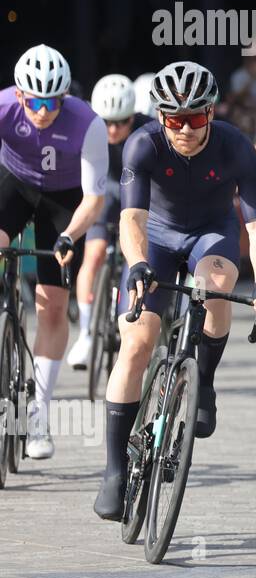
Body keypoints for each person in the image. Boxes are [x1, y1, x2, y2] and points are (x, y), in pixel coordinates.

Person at [93, 62, 256, 519]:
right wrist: (137, 265)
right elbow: (131, 219)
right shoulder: (142, 145)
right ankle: (115, 471)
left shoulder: (236, 147)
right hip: (154, 238)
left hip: (210, 235)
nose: (185, 129)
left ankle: (206, 382)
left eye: (195, 118)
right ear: (160, 117)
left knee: (217, 285)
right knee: (136, 344)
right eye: (174, 119)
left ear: (211, 114)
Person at [0, 45, 108, 459]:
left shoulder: (87, 123)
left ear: (64, 98)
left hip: (65, 198)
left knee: (52, 306)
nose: (43, 111)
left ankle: (39, 412)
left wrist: (69, 237)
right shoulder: (6, 108)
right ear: (20, 94)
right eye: (35, 101)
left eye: (52, 102)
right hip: (15, 181)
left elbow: (94, 199)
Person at [66, 75, 152, 371]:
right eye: (107, 122)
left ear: (134, 115)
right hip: (105, 192)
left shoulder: (146, 128)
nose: (114, 129)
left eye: (121, 122)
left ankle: (127, 324)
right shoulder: (87, 125)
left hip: (136, 194)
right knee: (93, 255)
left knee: (135, 256)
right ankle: (87, 332)